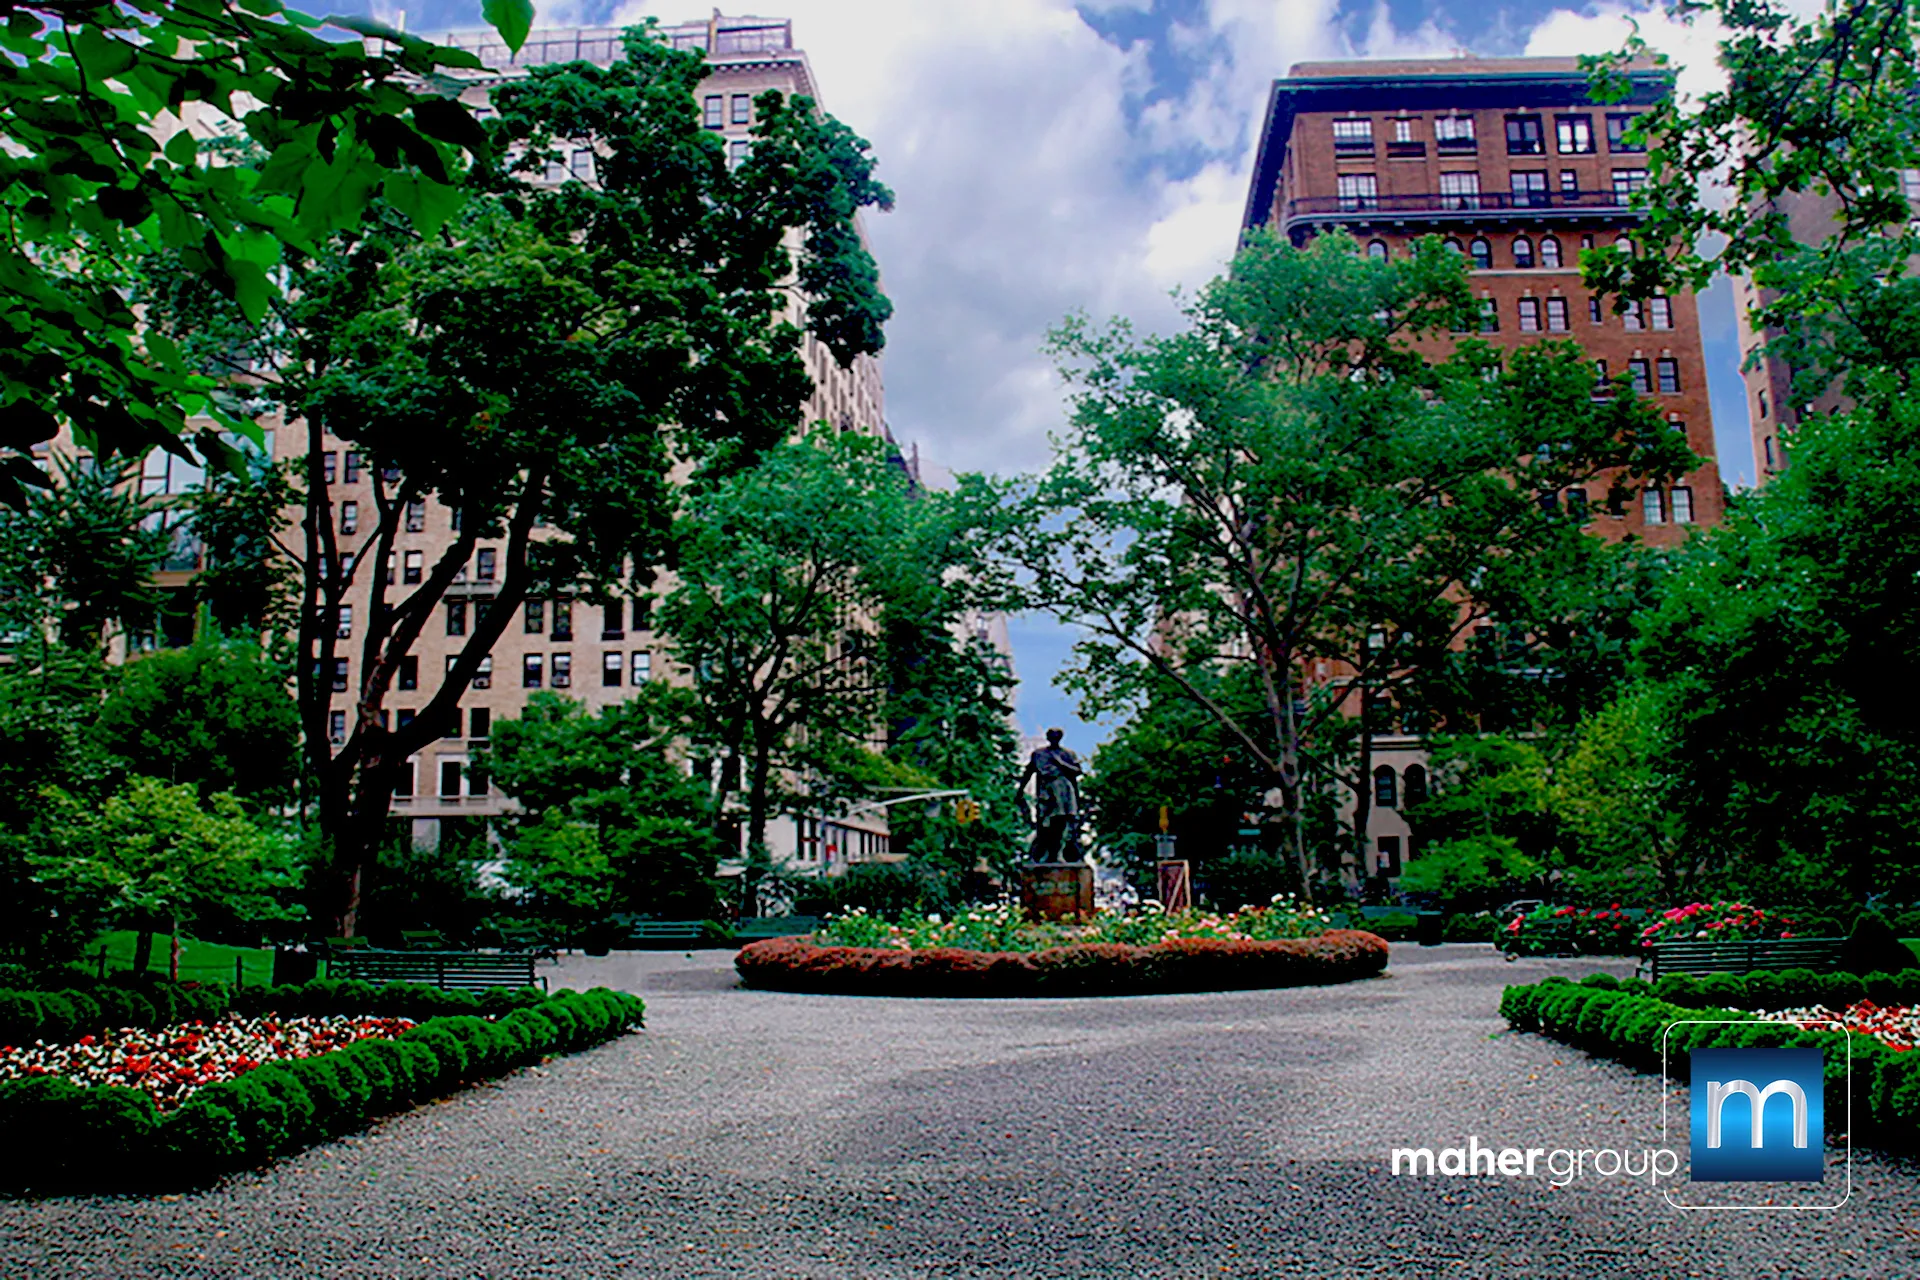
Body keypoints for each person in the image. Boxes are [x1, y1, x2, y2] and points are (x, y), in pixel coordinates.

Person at [1019, 728, 1084, 863]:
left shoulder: (1067, 754)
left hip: (1064, 788)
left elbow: (1077, 771)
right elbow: (1029, 771)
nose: (1054, 739)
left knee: (1063, 822)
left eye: (1057, 737)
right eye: (1052, 737)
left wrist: (1061, 763)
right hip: (1047, 789)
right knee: (1045, 823)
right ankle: (1041, 853)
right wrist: (1020, 790)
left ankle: (1058, 853)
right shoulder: (1039, 754)